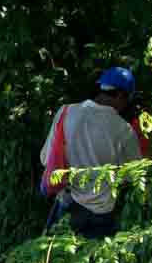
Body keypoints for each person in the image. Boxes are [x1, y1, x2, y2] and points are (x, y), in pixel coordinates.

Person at [42, 67, 142, 238]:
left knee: (56, 259)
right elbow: (134, 175)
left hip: (67, 202)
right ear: (120, 95)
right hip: (101, 212)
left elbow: (46, 159)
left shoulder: (66, 112)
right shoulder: (123, 130)